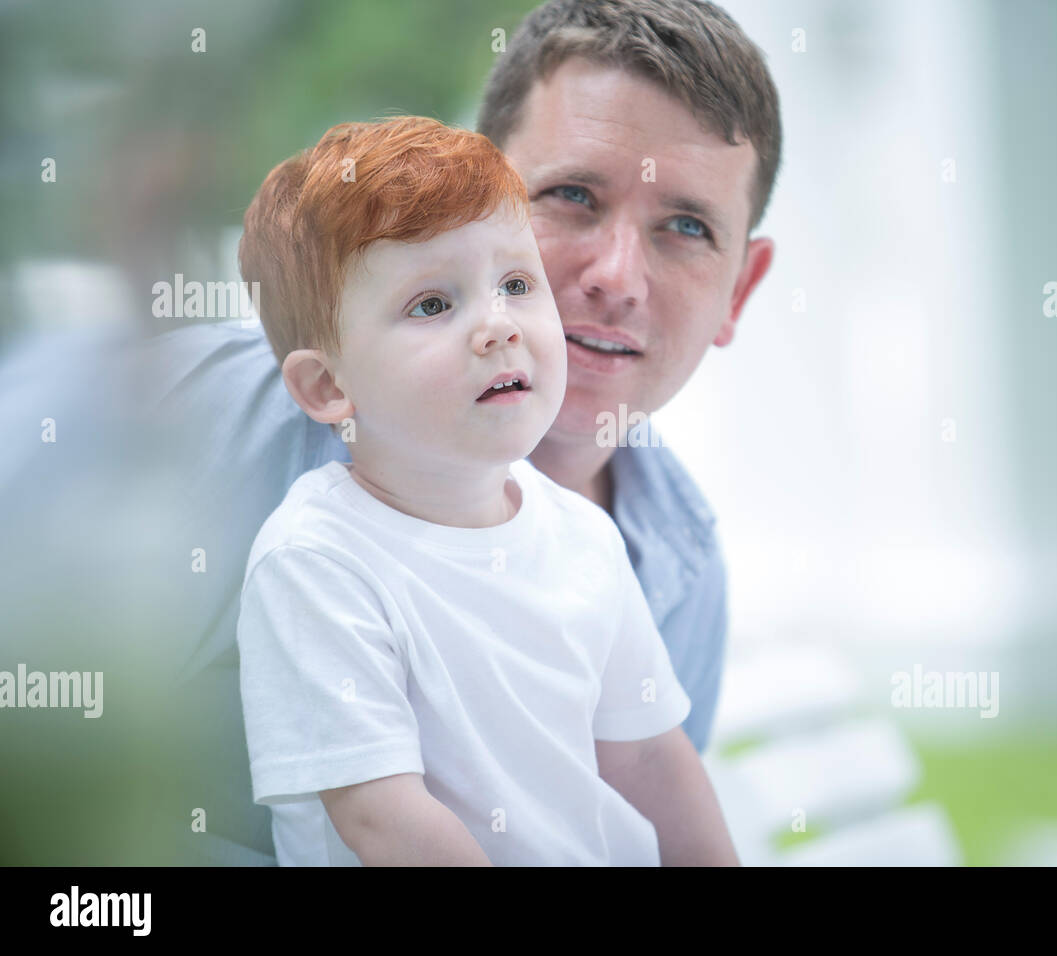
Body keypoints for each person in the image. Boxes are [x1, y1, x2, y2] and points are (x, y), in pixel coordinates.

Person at [151, 0, 779, 864]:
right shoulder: (212, 442)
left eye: (686, 226)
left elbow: (653, 773)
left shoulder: (657, 559)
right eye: (571, 196)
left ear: (738, 292)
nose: (616, 278)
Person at [234, 115, 737, 865]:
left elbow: (652, 762)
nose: (498, 326)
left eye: (514, 283)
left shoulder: (584, 537)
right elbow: (384, 817)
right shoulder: (317, 562)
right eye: (432, 304)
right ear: (328, 384)